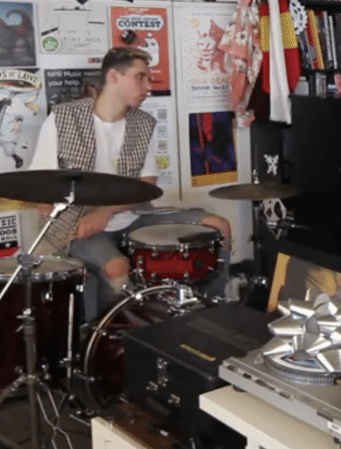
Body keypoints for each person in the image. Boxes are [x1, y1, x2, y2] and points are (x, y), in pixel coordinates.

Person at [28, 47, 233, 320]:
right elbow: (39, 182)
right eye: (141, 77)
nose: (148, 87)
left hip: (134, 215)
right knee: (116, 267)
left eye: (149, 79)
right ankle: (110, 338)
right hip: (76, 225)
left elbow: (147, 182)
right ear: (113, 76)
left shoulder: (142, 122)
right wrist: (52, 212)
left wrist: (106, 210)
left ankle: (214, 305)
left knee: (219, 226)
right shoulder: (63, 118)